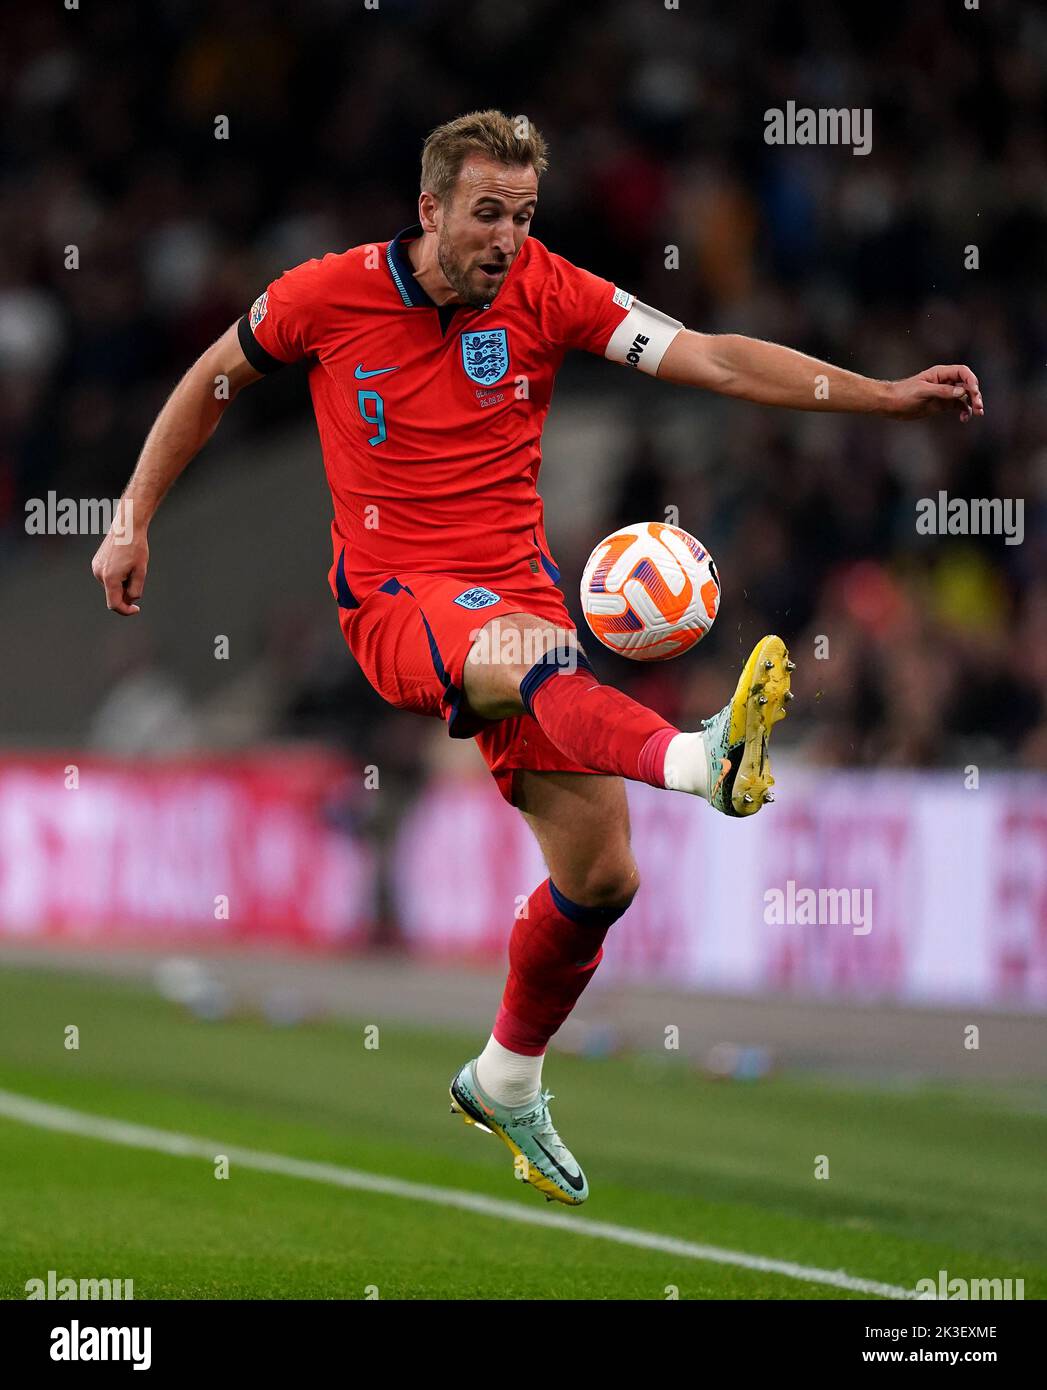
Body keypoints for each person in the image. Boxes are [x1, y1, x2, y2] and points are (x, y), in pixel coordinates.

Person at [91, 109, 983, 1206]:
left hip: (516, 605)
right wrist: (132, 515)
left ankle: (505, 1074)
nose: (506, 238)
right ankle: (704, 763)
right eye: (485, 215)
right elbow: (212, 380)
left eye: (522, 215)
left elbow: (708, 356)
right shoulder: (326, 295)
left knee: (602, 876)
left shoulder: (548, 289)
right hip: (395, 602)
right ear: (429, 210)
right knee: (539, 655)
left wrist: (880, 395)